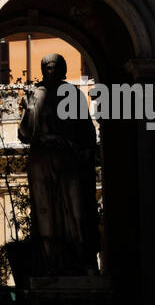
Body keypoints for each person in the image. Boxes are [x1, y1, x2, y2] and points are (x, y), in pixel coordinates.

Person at [17, 53, 99, 276]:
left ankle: (80, 261)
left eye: (54, 66)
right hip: (42, 158)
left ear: (62, 69)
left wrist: (87, 154)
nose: (50, 70)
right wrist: (31, 108)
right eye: (46, 67)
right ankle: (49, 264)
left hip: (68, 157)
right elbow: (25, 134)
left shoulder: (73, 94)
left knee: (76, 210)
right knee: (44, 212)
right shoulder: (34, 94)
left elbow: (86, 131)